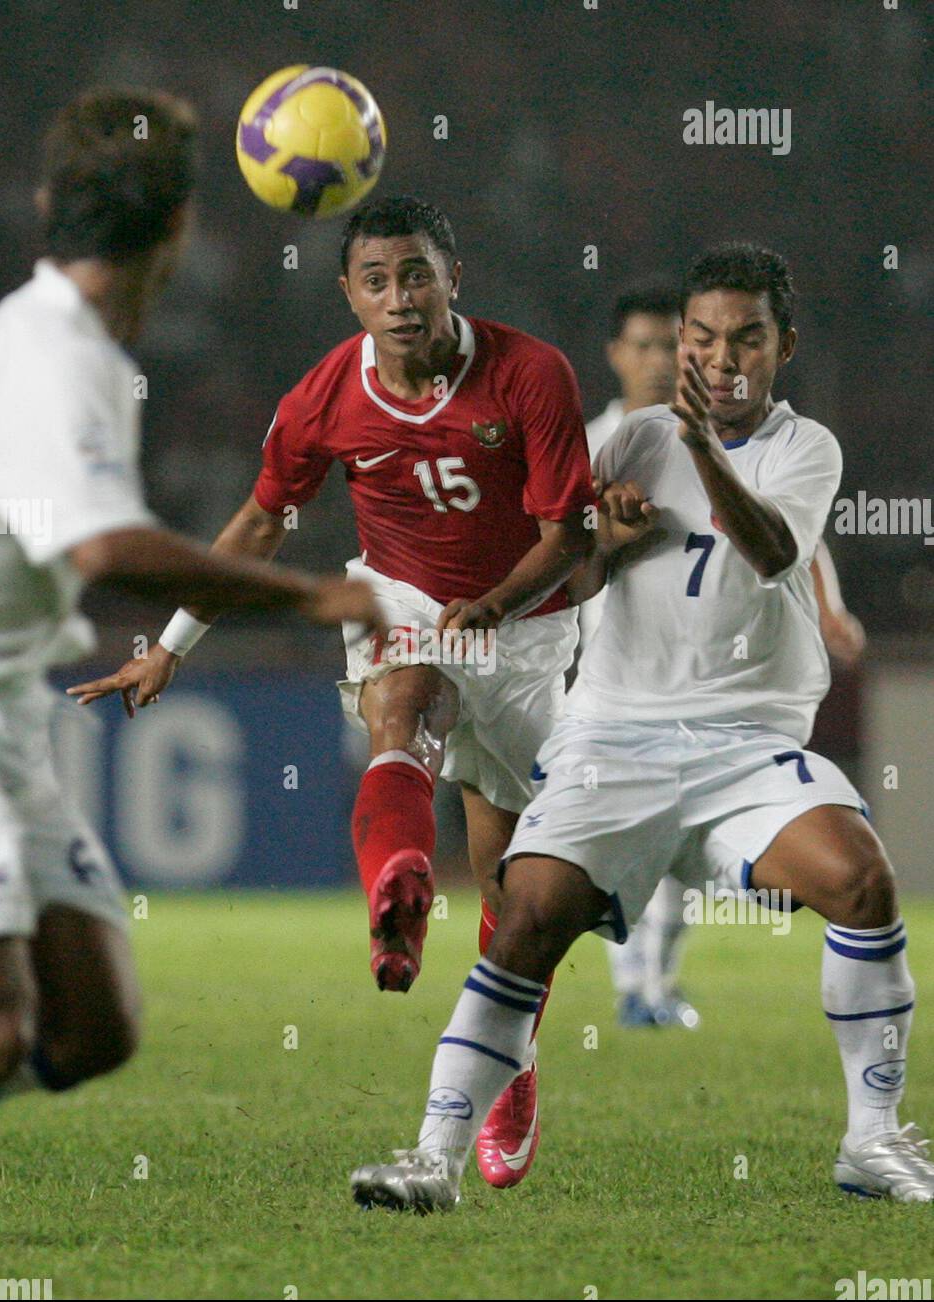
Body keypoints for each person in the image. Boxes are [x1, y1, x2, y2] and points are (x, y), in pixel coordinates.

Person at [351, 242, 932, 1210]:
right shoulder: (624, 444)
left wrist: (702, 449)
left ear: (781, 345)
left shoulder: (804, 447)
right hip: (613, 734)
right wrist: (607, 545)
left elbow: (771, 550)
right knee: (525, 917)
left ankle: (870, 1141)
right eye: (700, 336)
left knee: (860, 881)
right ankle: (431, 1159)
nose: (716, 356)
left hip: (747, 745)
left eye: (743, 337)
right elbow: (572, 585)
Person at [69, 195, 608, 1189]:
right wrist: (173, 647)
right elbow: (261, 524)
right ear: (347, 296)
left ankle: (513, 1064)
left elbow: (568, 538)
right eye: (375, 281)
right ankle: (396, 878)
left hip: (527, 633)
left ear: (453, 277)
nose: (398, 298)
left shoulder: (530, 373)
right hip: (403, 599)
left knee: (512, 893)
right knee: (398, 702)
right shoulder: (325, 396)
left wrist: (491, 603)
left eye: (415, 275)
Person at [0, 88, 380, 1173]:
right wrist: (305, 595)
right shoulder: (50, 349)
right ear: (181, 228)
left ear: (50, 203)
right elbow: (105, 549)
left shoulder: (74, 341)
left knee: (94, 1028)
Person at [579, 289, 867, 1031]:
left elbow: (792, 536)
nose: (651, 360)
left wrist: (828, 608)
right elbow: (561, 547)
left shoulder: (763, 443)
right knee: (613, 853)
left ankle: (651, 984)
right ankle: (630, 982)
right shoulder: (602, 441)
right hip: (611, 670)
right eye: (637, 346)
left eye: (661, 344)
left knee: (679, 855)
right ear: (615, 355)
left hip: (706, 680)